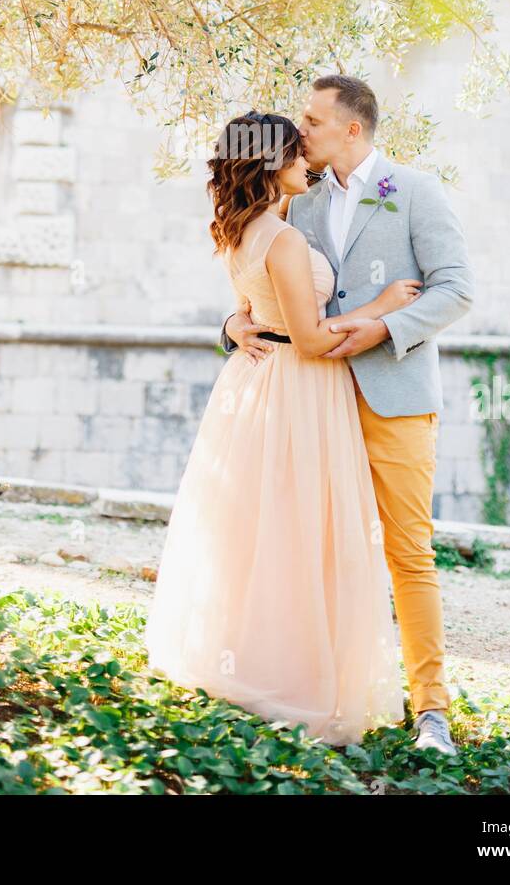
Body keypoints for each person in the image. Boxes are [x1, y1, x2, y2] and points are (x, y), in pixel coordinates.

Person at [144, 110, 422, 745]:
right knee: (301, 529)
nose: (309, 163)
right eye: (297, 155)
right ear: (272, 162)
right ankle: (295, 678)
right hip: (299, 383)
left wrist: (234, 326)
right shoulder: (286, 238)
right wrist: (382, 307)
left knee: (259, 529)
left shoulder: (238, 229)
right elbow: (313, 338)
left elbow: (253, 310)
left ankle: (250, 657)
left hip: (252, 381)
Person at [222, 76, 474, 755]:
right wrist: (229, 324)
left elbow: (456, 289)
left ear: (352, 130)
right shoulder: (293, 197)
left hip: (393, 396)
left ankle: (430, 711)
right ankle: (314, 682)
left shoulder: (415, 191)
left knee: (407, 553)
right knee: (308, 546)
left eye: (313, 120)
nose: (300, 131)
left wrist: (385, 329)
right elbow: (262, 283)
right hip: (312, 401)